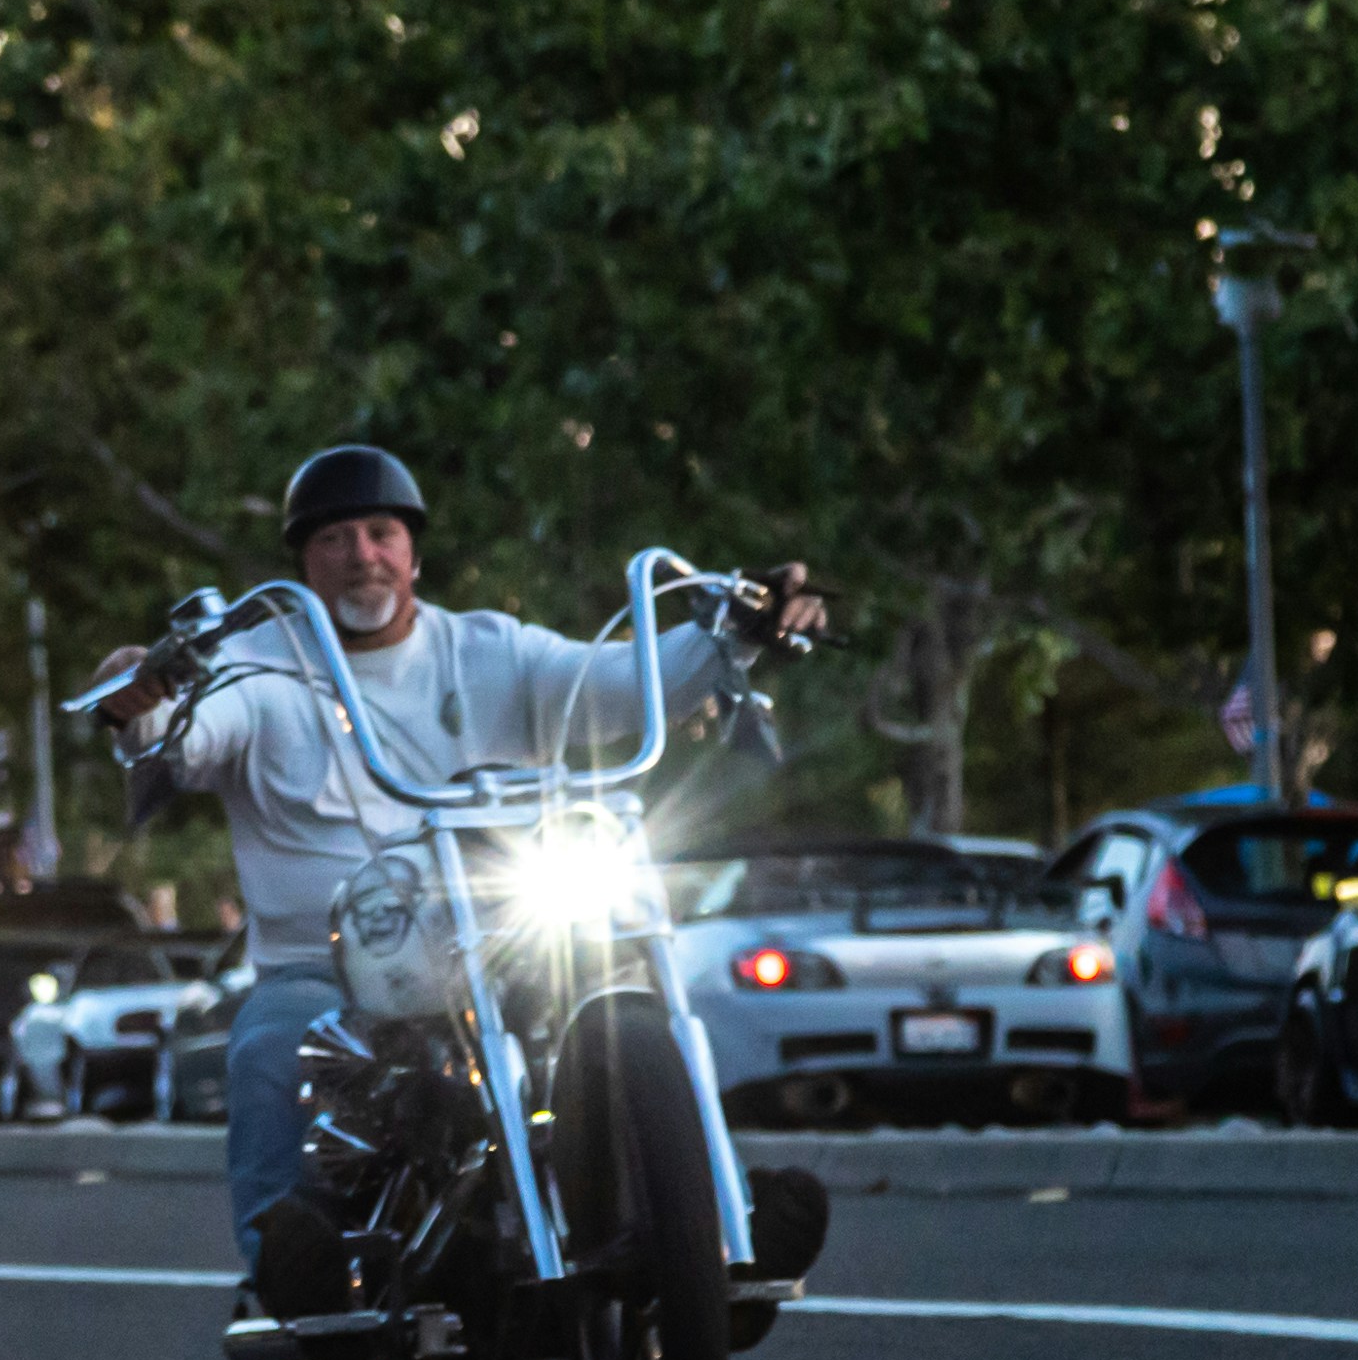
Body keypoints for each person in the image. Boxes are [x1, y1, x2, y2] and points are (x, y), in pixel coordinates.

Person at [86, 443, 823, 1267]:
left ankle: (713, 1234)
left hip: (509, 942)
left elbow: (619, 681)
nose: (360, 554)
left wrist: (740, 630)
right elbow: (184, 736)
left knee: (626, 993)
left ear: (413, 553)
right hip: (327, 969)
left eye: (380, 533)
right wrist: (138, 693)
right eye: (334, 540)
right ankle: (291, 1271)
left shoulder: (491, 649)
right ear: (302, 561)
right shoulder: (255, 669)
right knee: (268, 1045)